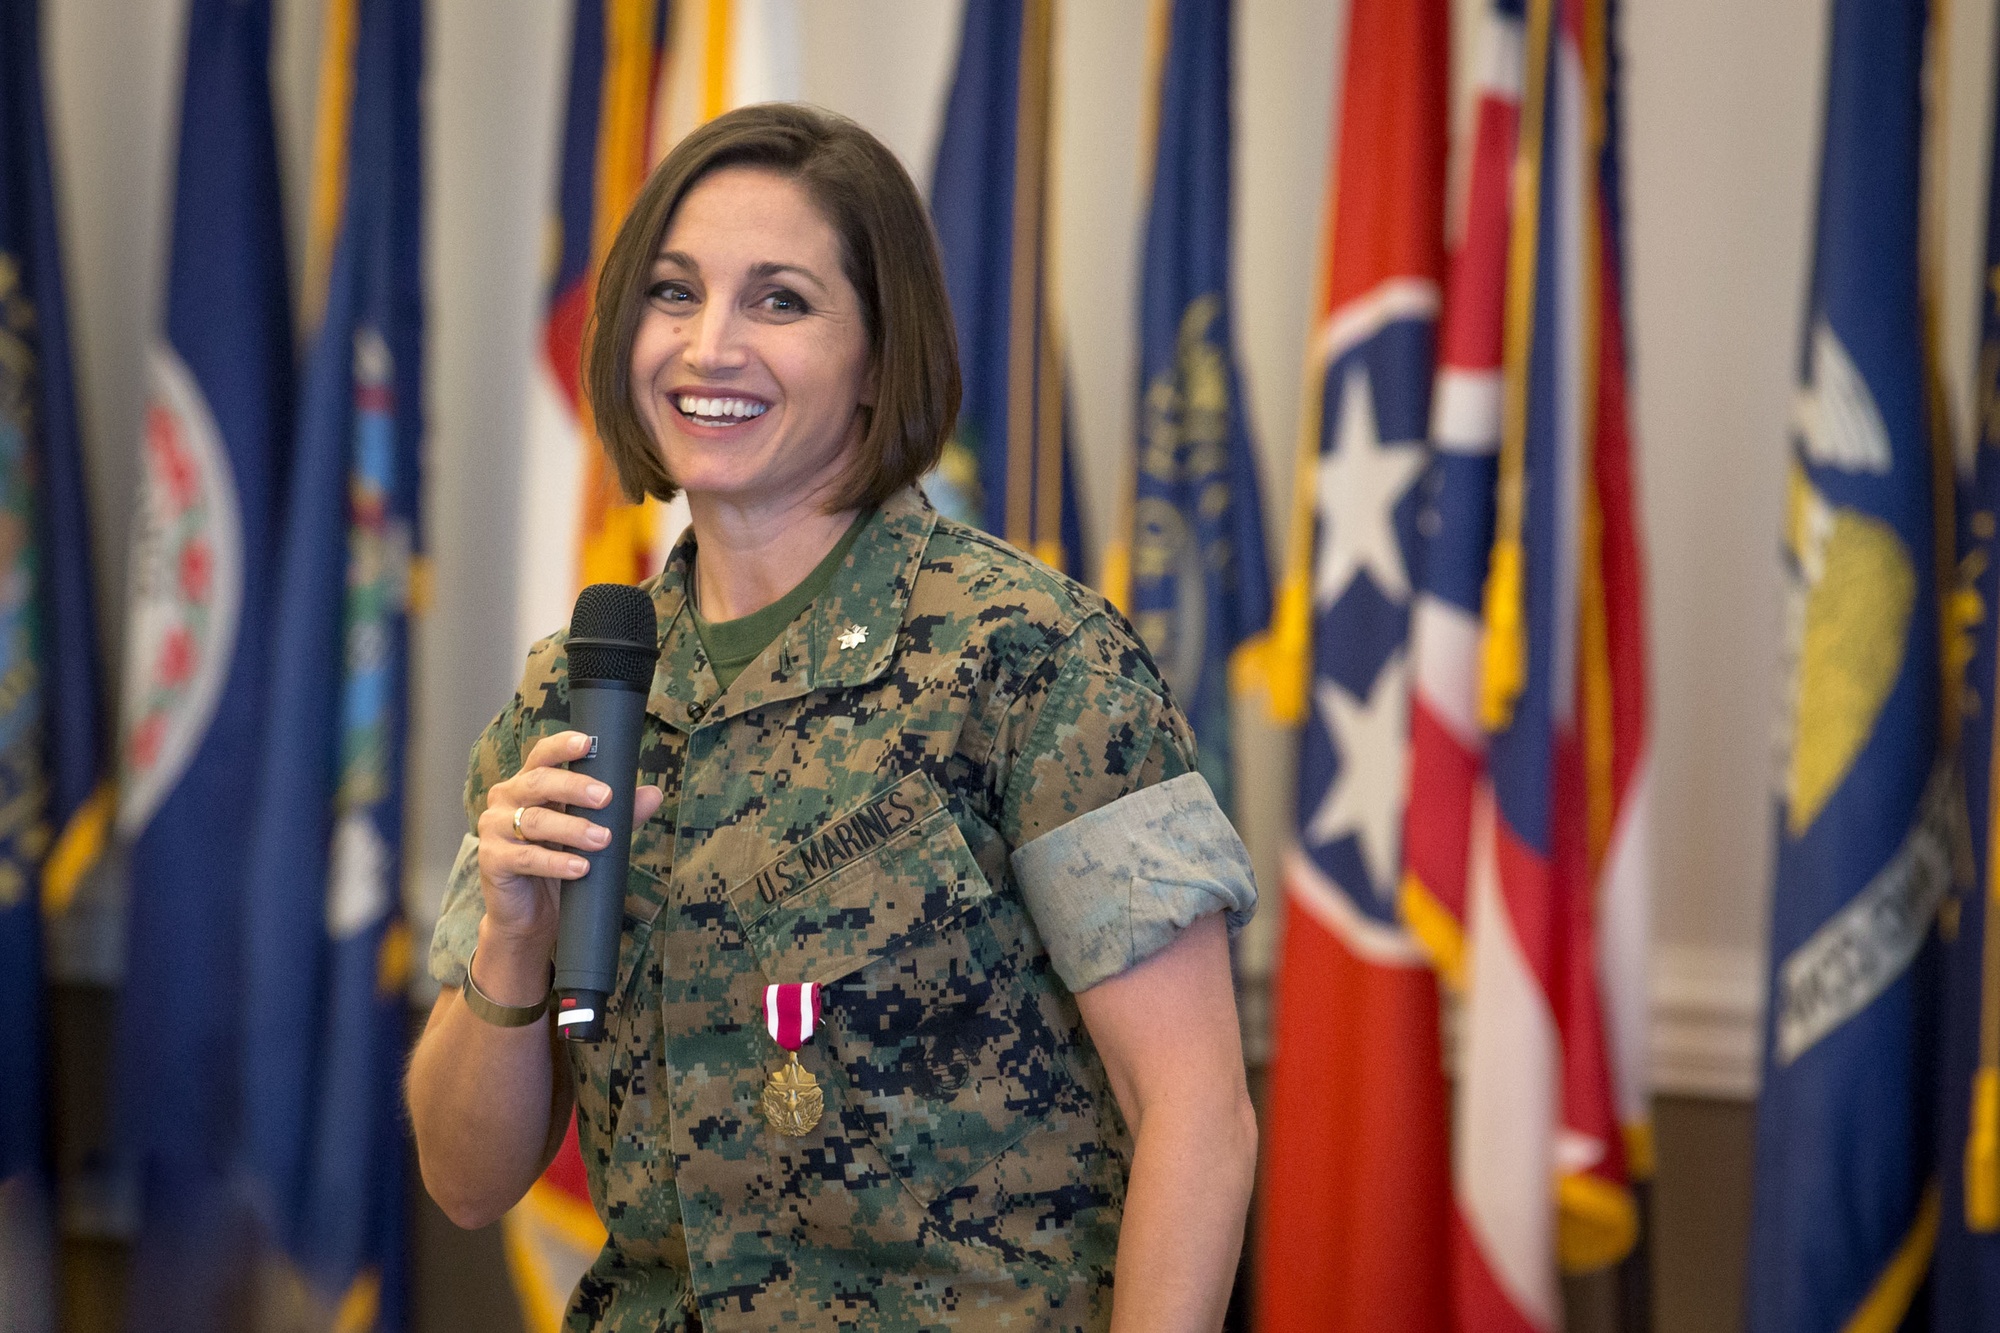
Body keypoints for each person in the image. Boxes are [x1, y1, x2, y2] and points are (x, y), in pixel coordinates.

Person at [405, 103, 1258, 1333]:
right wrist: (513, 937)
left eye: (780, 301)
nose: (709, 346)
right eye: (673, 293)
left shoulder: (1026, 656)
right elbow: (466, 1179)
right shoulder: (575, 692)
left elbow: (1194, 1111)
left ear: (876, 357)